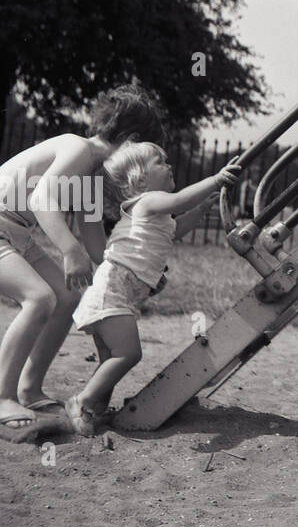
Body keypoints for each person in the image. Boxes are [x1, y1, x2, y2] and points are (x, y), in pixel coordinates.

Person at [0, 83, 164, 442]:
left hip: (16, 233)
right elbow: (43, 199)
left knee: (67, 296)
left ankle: (29, 389)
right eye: (146, 153)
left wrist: (132, 268)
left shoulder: (89, 176)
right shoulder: (78, 148)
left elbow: (95, 243)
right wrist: (68, 250)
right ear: (130, 139)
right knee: (40, 297)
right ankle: (3, 397)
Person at [65, 143, 239, 434]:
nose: (169, 166)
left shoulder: (158, 217)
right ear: (141, 181)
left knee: (111, 358)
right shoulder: (146, 201)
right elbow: (180, 200)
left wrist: (202, 208)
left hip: (116, 297)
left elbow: (178, 227)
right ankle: (81, 402)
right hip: (112, 294)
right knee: (129, 354)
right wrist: (216, 179)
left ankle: (95, 411)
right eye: (160, 162)